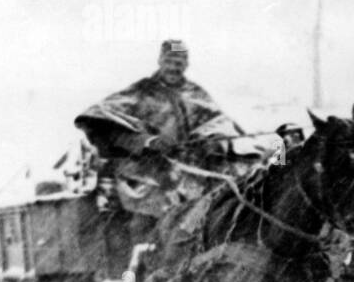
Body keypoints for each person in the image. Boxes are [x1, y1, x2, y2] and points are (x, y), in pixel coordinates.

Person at [75, 40, 242, 216]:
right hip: (144, 173)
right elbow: (105, 126)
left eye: (178, 63)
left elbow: (219, 123)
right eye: (168, 61)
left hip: (190, 172)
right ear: (160, 61)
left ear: (186, 64)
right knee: (151, 219)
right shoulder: (140, 91)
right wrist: (148, 142)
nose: (172, 67)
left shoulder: (196, 93)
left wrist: (212, 140)